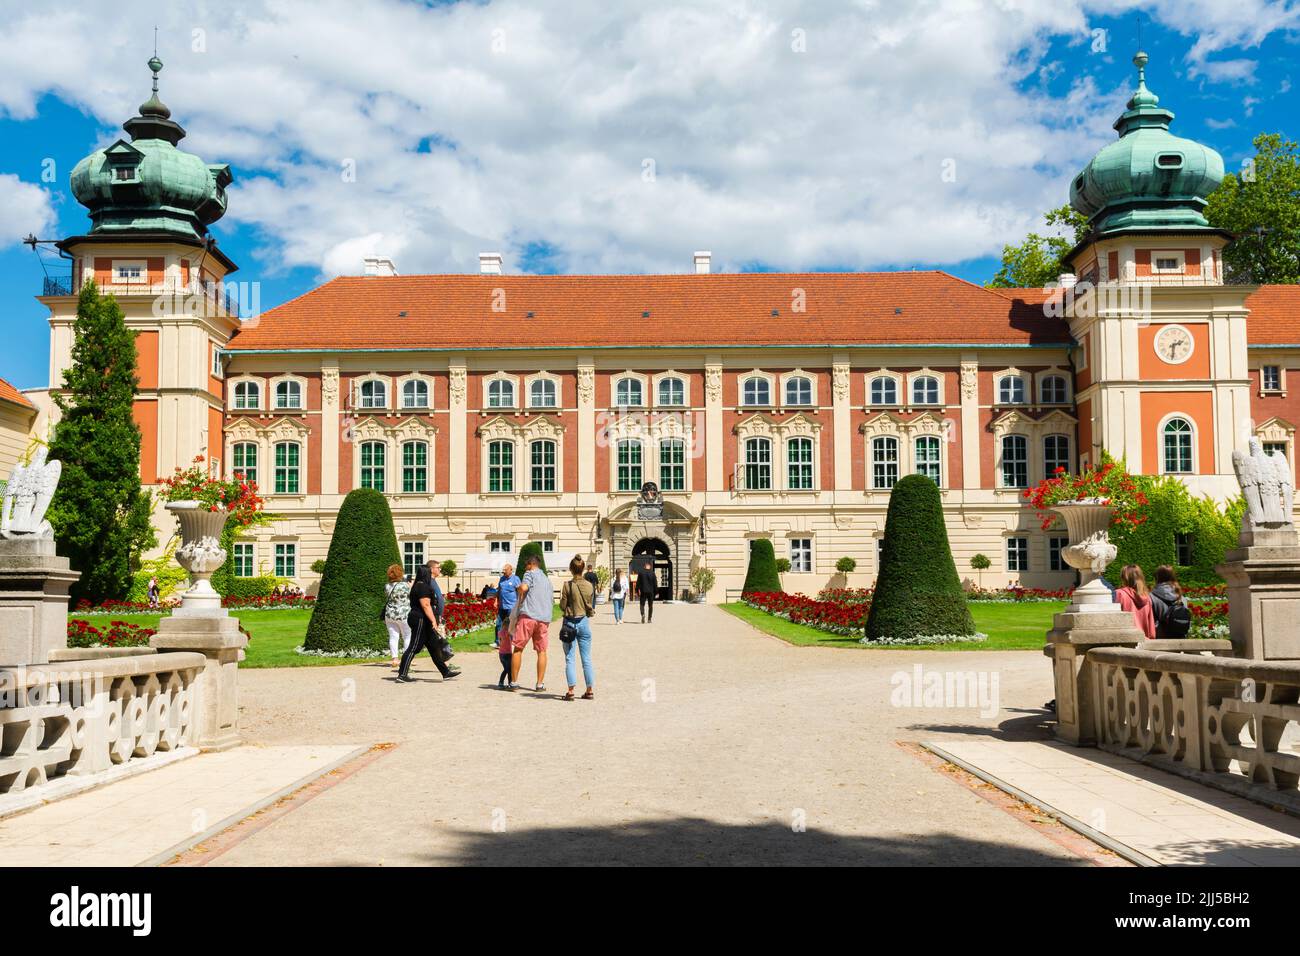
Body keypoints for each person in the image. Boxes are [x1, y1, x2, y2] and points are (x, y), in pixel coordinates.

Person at [397, 564, 460, 682]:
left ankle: (445, 672)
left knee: (434, 646)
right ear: (426, 574)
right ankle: (402, 674)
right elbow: (426, 605)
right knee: (414, 647)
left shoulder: (418, 585)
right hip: (420, 619)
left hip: (422, 619)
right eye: (429, 573)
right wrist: (433, 621)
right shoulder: (422, 587)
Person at [510, 553, 553, 692]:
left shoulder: (529, 573)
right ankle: (540, 684)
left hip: (529, 616)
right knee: (542, 651)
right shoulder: (547, 579)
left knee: (518, 648)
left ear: (530, 564)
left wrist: (518, 588)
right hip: (544, 619)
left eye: (526, 566)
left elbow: (524, 588)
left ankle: (514, 682)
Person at [559, 555, 596, 701]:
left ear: (571, 569)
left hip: (570, 623)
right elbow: (590, 604)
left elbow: (562, 606)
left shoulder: (567, 585)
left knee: (570, 658)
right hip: (584, 622)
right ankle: (589, 690)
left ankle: (571, 690)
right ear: (583, 569)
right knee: (586, 658)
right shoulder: (589, 585)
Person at [1149, 565, 1192, 638]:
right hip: (1180, 637)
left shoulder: (1151, 597)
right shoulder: (1181, 597)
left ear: (1157, 577)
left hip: (1160, 639)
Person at [1116, 564, 1156, 639]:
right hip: (1144, 641)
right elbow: (1152, 632)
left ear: (1124, 578)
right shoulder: (1147, 598)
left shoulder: (1119, 594)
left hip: (1126, 640)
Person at [383, 563, 412, 668]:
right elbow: (412, 595)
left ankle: (395, 659)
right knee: (407, 636)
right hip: (403, 615)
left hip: (389, 615)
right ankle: (406, 659)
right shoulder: (405, 586)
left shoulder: (387, 586)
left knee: (393, 637)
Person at [494, 563, 520, 651]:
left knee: (511, 625)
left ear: (510, 570)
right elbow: (499, 590)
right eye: (503, 571)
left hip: (511, 606)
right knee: (498, 624)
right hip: (502, 606)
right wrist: (496, 600)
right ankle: (498, 642)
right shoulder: (502, 579)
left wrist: (520, 604)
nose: (503, 572)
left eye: (505, 571)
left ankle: (511, 642)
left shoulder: (515, 579)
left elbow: (520, 592)